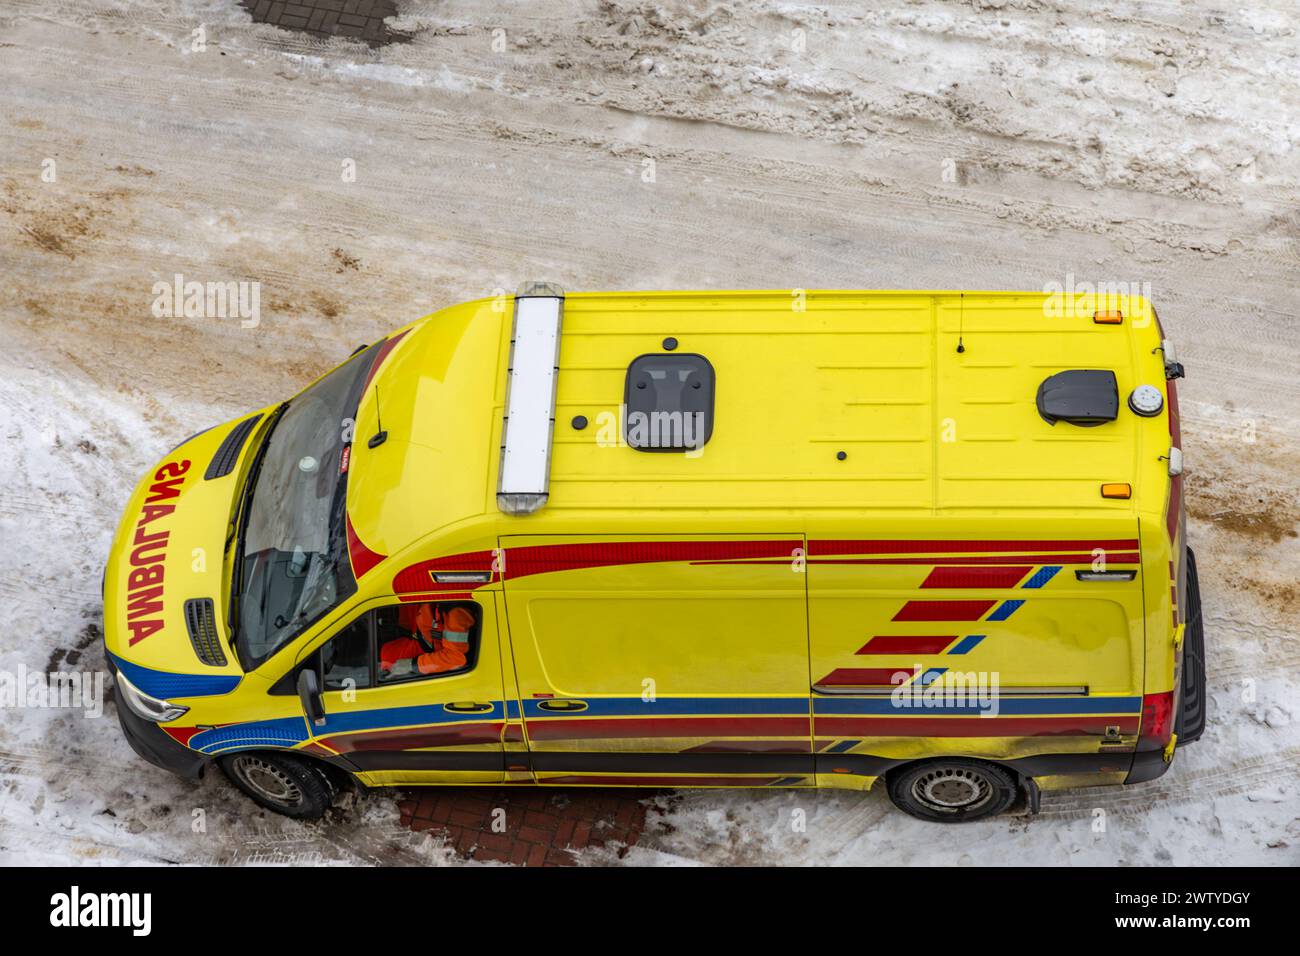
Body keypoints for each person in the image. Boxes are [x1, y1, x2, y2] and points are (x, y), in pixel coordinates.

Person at [379, 604, 476, 679]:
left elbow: (456, 659)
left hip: (441, 658)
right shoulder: (436, 600)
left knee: (387, 667)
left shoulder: (457, 613)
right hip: (424, 642)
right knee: (387, 653)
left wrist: (412, 665)